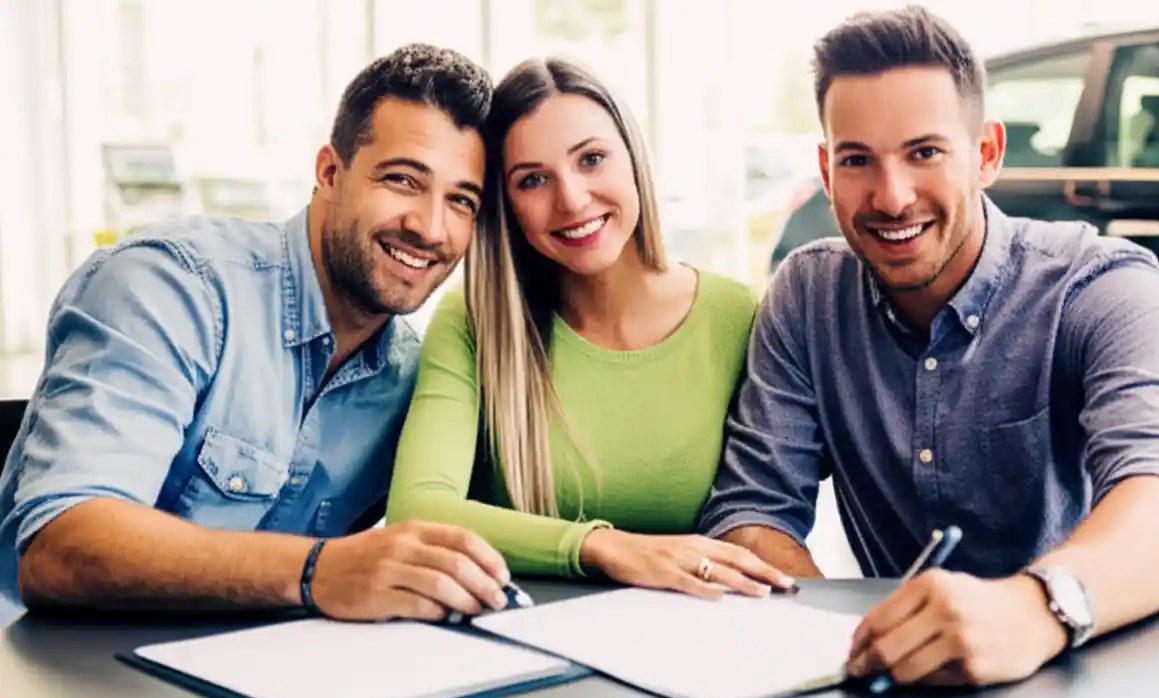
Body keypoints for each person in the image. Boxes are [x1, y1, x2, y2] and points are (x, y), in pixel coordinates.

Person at [699, 6, 1159, 687]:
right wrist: (834, 643)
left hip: (1087, 671)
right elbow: (752, 510)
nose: (891, 198)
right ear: (828, 173)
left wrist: (1037, 609)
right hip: (901, 684)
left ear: (985, 155)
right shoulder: (805, 296)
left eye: (925, 152)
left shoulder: (1100, 285)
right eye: (859, 160)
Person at [0, 44, 514, 622]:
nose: (429, 227)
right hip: (51, 679)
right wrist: (319, 569)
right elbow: (58, 548)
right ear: (329, 172)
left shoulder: (408, 379)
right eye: (401, 180)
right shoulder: (171, 287)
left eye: (461, 201)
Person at [386, 57, 792, 598]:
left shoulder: (737, 317)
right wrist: (606, 547)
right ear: (507, 206)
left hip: (697, 641)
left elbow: (766, 515)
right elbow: (417, 512)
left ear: (633, 160)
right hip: (516, 641)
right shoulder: (473, 322)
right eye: (533, 180)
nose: (572, 199)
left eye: (592, 160)